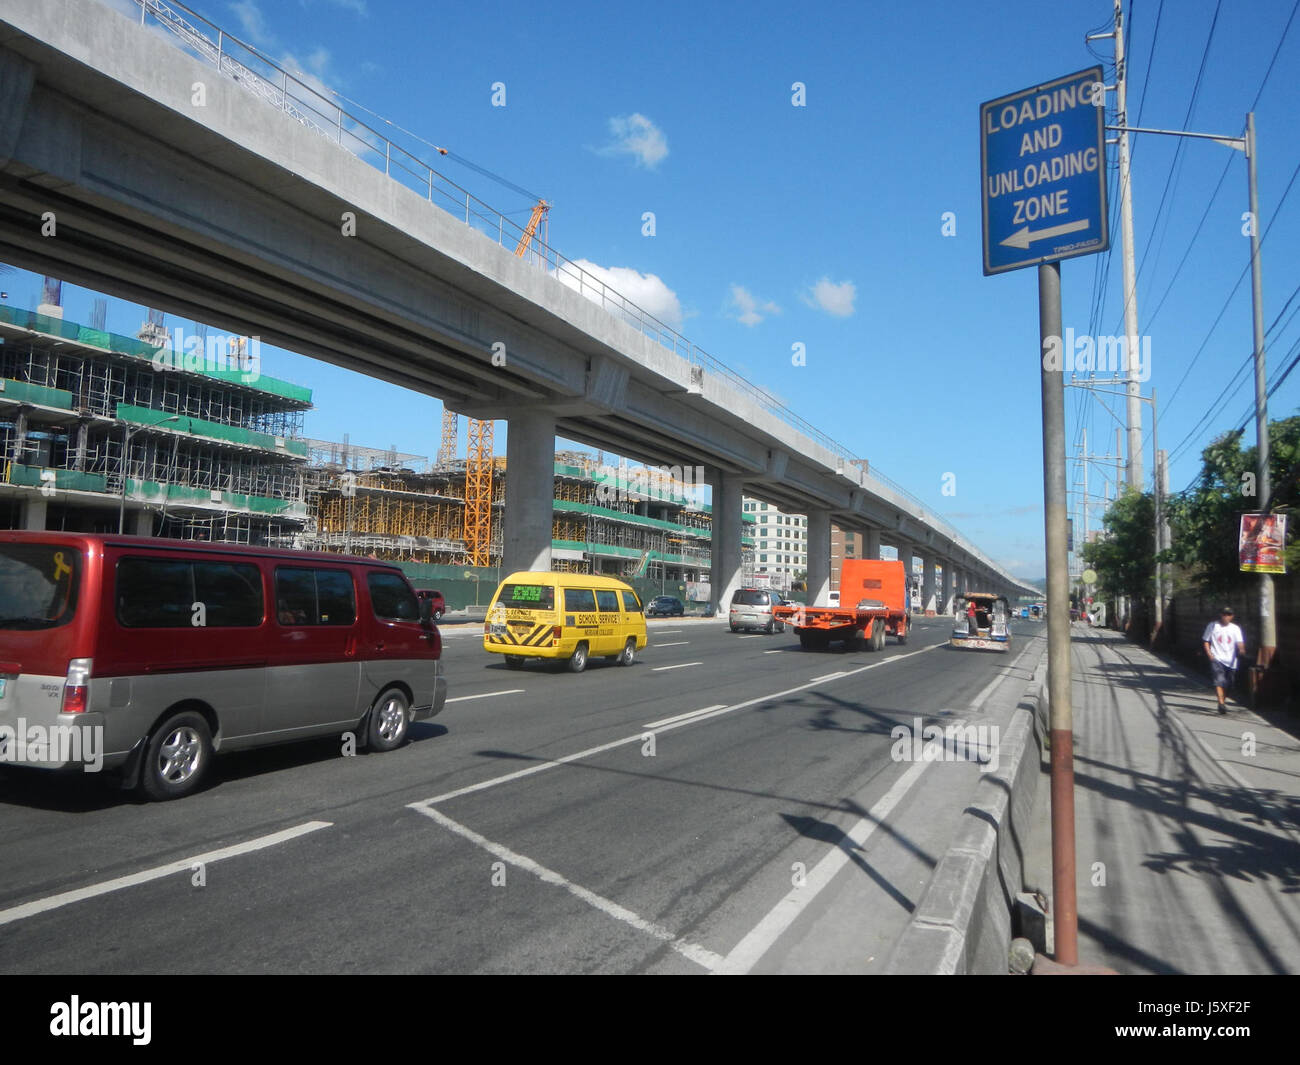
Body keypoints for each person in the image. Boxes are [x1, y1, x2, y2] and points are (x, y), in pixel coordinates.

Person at [1202, 606, 1246, 713]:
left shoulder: (1235, 628)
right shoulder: (1213, 626)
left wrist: (1241, 650)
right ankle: (1221, 703)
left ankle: (1223, 701)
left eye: (1229, 615)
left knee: (1228, 684)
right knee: (1219, 681)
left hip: (1231, 661)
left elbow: (1240, 642)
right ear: (1221, 615)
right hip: (1217, 658)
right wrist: (1209, 654)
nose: (1226, 617)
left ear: (1232, 616)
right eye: (1224, 614)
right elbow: (1206, 640)